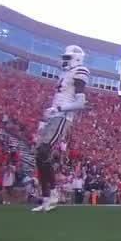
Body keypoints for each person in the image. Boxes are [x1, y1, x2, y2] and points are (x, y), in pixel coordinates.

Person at [31, 45, 89, 212]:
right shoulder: (64, 74)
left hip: (63, 117)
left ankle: (54, 192)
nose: (64, 61)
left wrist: (58, 109)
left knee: (43, 151)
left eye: (67, 58)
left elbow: (80, 103)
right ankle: (47, 197)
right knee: (39, 156)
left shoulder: (80, 71)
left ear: (76, 58)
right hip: (53, 116)